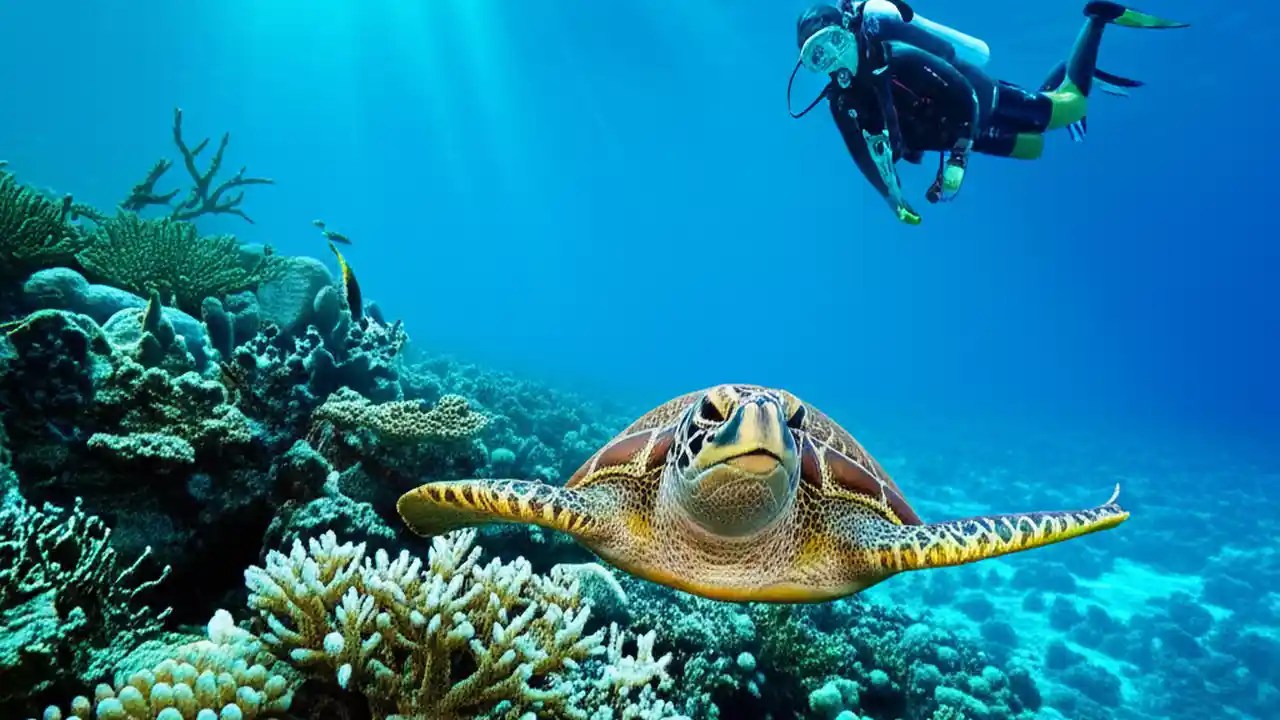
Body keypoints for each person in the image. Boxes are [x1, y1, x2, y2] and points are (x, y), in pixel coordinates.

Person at [789, 1, 1188, 225]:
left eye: (835, 42)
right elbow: (863, 157)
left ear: (849, 31)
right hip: (964, 137)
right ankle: (1062, 72)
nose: (834, 58)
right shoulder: (843, 102)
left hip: (983, 102)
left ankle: (1098, 18)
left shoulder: (903, 61)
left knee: (1070, 109)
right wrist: (894, 201)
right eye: (818, 56)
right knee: (1033, 148)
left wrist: (959, 156)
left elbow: (963, 93)